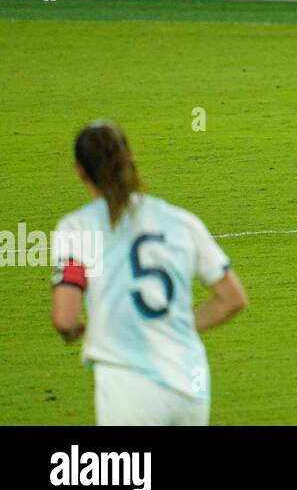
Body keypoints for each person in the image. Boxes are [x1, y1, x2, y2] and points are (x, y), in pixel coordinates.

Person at [50, 120, 248, 425]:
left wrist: (76, 330)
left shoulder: (76, 229)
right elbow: (232, 298)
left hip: (129, 389)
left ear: (80, 170)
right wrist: (175, 327)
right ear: (130, 156)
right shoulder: (182, 221)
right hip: (191, 386)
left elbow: (65, 317)